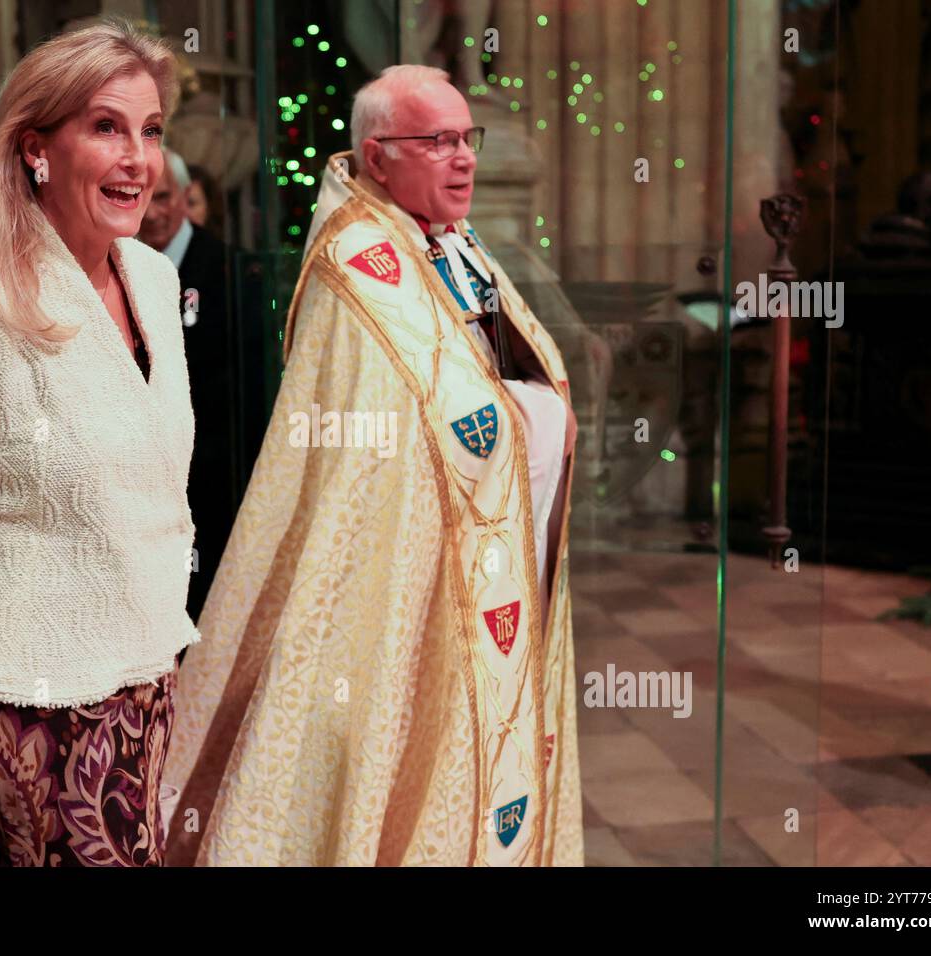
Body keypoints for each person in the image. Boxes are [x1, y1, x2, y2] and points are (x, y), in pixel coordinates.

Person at [165, 64, 582, 866]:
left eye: (468, 138)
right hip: (398, 580)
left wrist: (537, 409)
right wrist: (527, 417)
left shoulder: (454, 243)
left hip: (479, 558)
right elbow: (394, 442)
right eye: (439, 141)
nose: (463, 158)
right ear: (378, 155)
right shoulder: (357, 264)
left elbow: (503, 367)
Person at [0, 20, 198, 867]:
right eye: (106, 127)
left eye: (151, 130)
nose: (139, 158)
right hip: (36, 701)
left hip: (148, 679)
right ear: (34, 150)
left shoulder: (157, 282)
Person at [140, 148, 264, 618]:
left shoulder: (232, 271)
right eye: (144, 197)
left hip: (214, 483)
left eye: (165, 197)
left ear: (188, 196)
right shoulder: (110, 268)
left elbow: (247, 389)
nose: (152, 212)